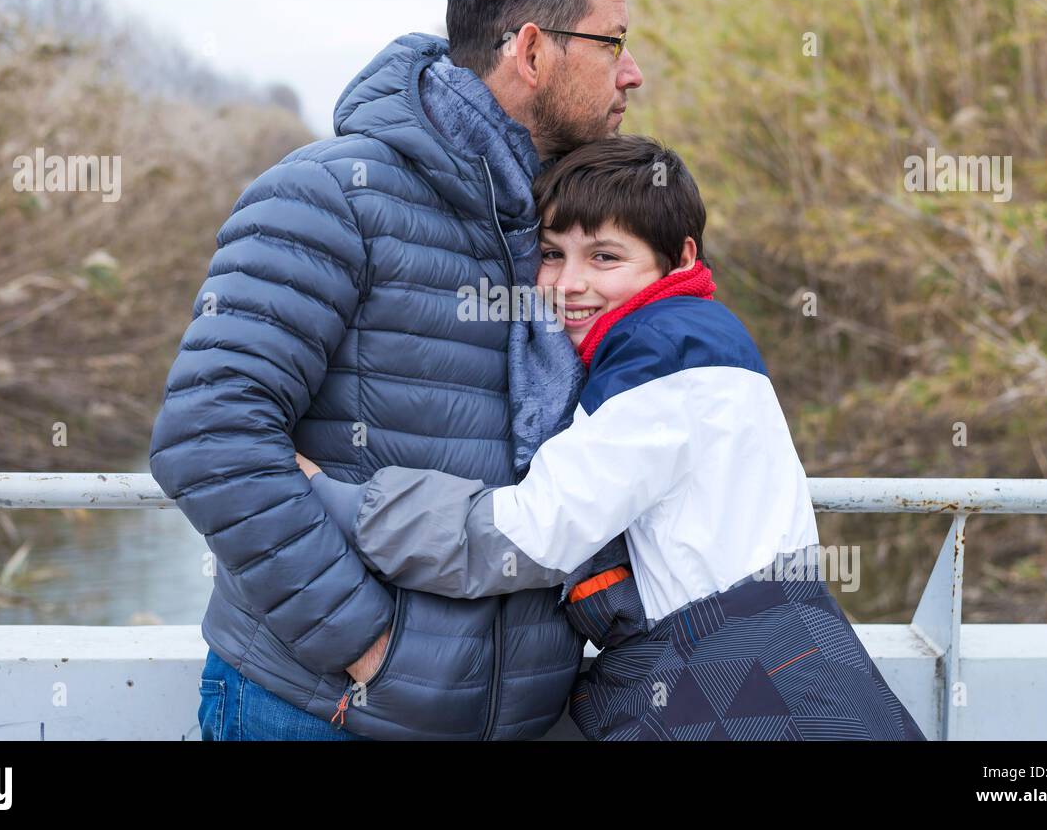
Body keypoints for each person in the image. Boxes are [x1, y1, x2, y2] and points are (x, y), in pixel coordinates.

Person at [147, 0, 644, 740]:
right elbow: (208, 434)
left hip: (518, 718)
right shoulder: (328, 196)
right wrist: (371, 645)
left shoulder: (564, 228)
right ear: (531, 50)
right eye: (613, 43)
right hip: (322, 711)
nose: (632, 74)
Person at [299, 135, 928, 741]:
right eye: (552, 253)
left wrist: (341, 501)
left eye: (605, 257)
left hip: (730, 683)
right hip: (781, 667)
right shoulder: (695, 338)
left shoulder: (665, 350)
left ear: (680, 259)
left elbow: (531, 533)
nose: (570, 283)